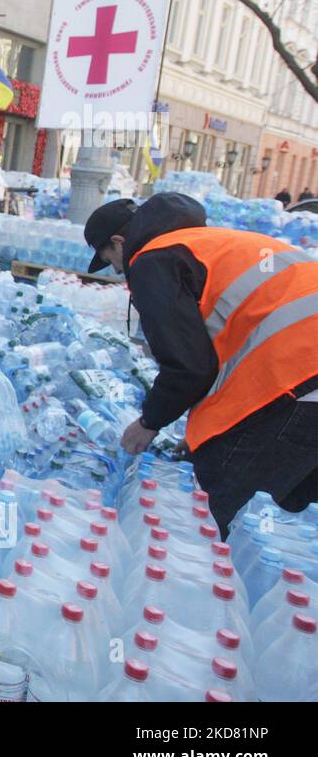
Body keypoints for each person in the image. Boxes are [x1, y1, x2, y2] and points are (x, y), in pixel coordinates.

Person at [85, 194, 318, 533]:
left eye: (110, 260)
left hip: (299, 372)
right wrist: (203, 434)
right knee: (291, 521)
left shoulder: (152, 260)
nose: (119, 271)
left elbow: (188, 366)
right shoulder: (204, 243)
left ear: (119, 242)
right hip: (301, 371)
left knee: (211, 515)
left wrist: (150, 422)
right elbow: (220, 352)